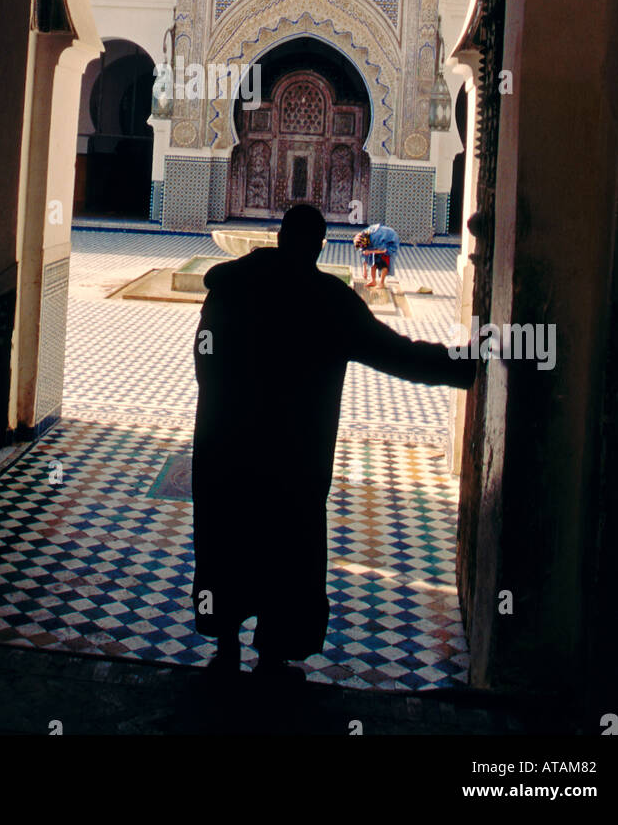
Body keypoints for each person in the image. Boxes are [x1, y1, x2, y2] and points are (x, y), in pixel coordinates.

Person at [191, 204, 476, 681]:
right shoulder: (329, 301)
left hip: (227, 445)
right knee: (288, 548)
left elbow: (206, 360)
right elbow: (396, 353)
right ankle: (274, 657)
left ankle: (225, 647)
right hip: (295, 455)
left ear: (280, 237)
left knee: (228, 539)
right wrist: (461, 366)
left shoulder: (230, 288)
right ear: (320, 245)